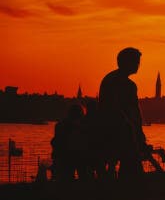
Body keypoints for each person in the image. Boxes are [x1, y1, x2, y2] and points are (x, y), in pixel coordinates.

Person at [98, 47, 147, 178]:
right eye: (136, 62)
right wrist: (134, 130)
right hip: (119, 131)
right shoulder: (121, 83)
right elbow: (123, 110)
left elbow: (133, 111)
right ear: (126, 62)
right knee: (131, 166)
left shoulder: (112, 80)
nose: (138, 65)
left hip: (120, 130)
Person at [50, 104, 87, 181]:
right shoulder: (81, 127)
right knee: (82, 176)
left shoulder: (60, 125)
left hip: (64, 156)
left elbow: (56, 142)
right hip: (74, 155)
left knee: (66, 178)